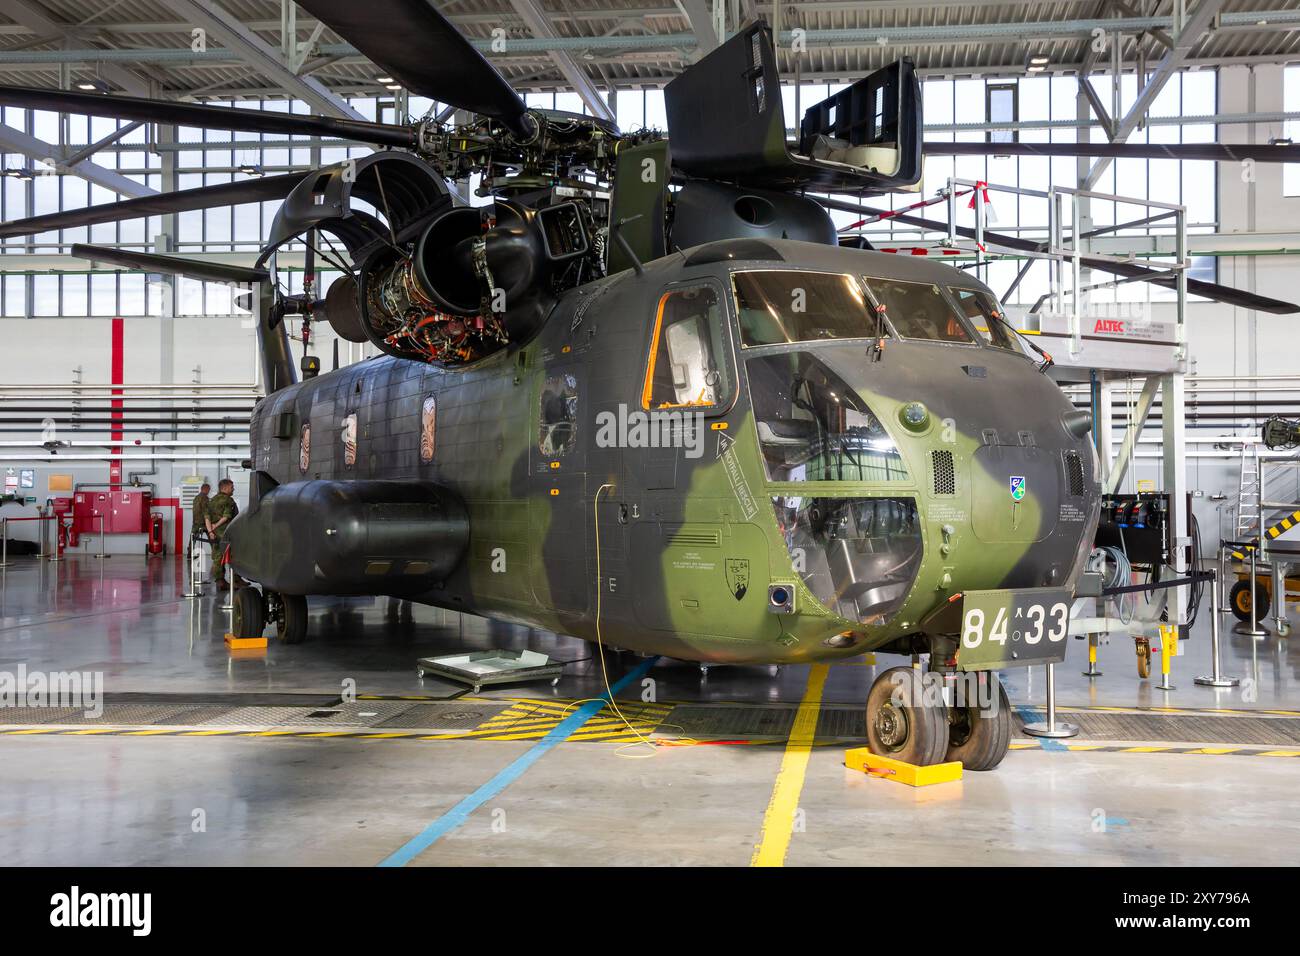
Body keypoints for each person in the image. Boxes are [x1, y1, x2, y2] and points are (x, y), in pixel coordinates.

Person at [205, 478, 239, 589]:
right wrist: (217, 525)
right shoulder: (228, 500)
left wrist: (210, 530)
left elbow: (207, 517)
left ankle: (220, 580)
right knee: (234, 555)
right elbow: (227, 517)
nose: (233, 489)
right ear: (224, 488)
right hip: (226, 533)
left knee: (217, 557)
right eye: (231, 487)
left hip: (213, 534)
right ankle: (236, 579)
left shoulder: (212, 500)